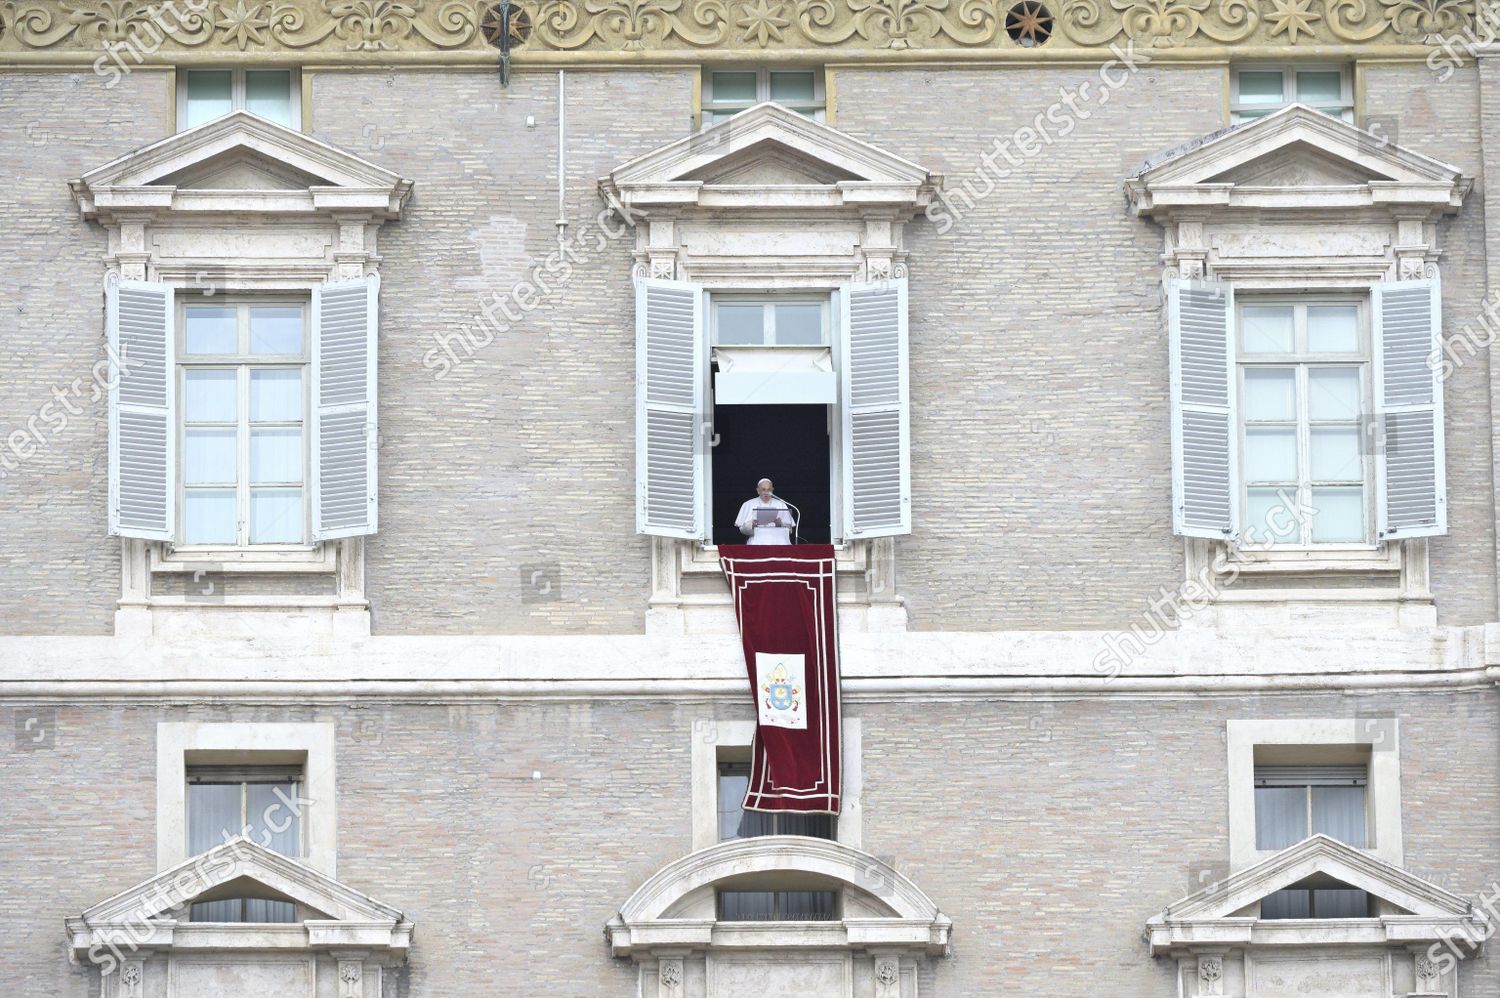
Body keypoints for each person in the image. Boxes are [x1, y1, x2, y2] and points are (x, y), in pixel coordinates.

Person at [735, 478, 792, 545]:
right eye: (763, 489)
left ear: (772, 490)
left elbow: (789, 530)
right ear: (758, 491)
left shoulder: (781, 504)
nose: (766, 492)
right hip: (756, 542)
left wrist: (779, 524)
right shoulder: (748, 504)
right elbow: (742, 530)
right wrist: (752, 525)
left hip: (779, 542)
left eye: (769, 490)